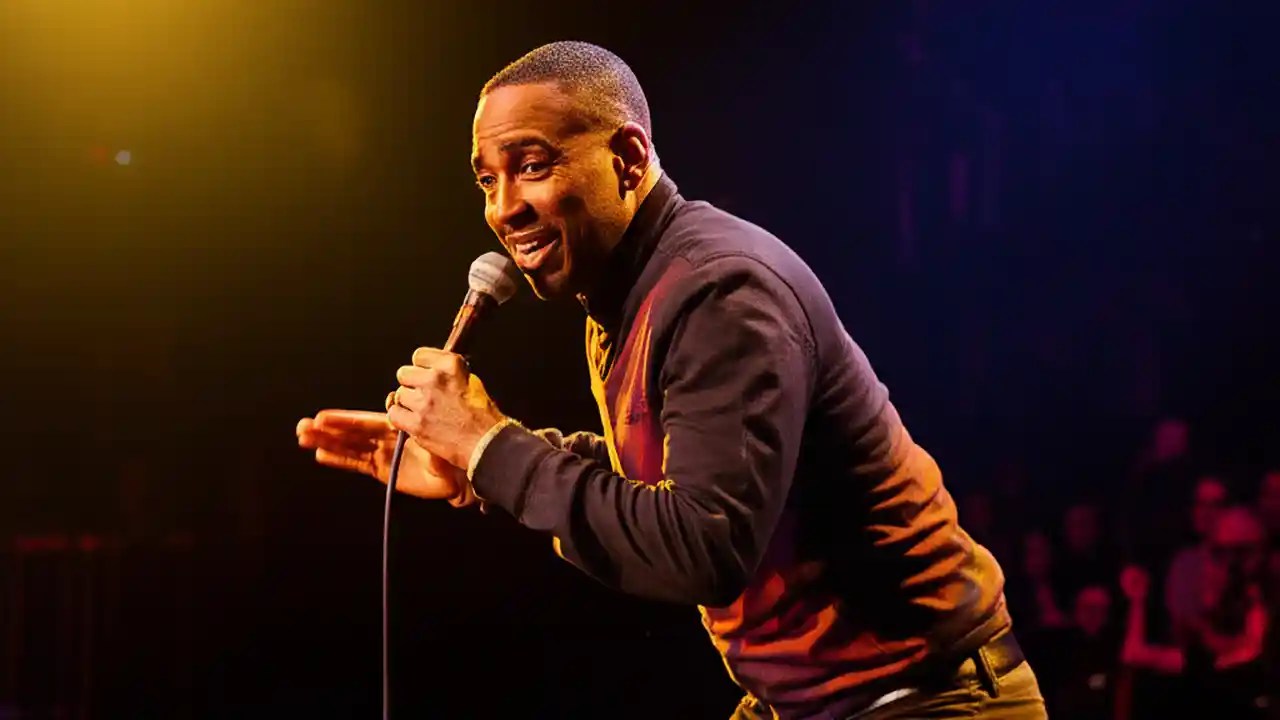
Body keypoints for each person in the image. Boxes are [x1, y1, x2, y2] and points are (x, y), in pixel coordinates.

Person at [296, 41, 1045, 719]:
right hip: (818, 702)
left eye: (531, 166)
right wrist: (475, 467)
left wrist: (492, 448)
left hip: (924, 701)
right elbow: (657, 483)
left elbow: (703, 548)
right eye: (487, 179)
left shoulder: (719, 290)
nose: (503, 209)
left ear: (627, 158)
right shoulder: (622, 292)